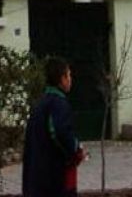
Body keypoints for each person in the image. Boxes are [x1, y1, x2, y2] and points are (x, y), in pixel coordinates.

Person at [23, 57, 87, 197]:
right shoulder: (59, 104)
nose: (71, 79)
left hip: (36, 180)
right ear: (62, 79)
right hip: (55, 179)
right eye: (69, 75)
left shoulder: (40, 104)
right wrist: (76, 150)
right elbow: (59, 132)